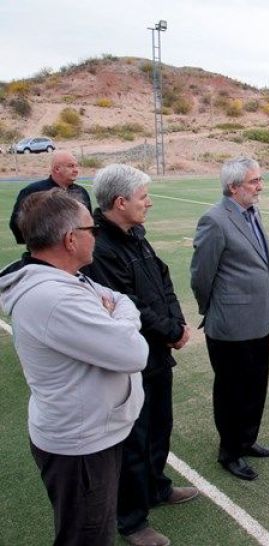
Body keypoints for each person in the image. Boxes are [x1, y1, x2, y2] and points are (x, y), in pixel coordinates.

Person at [0, 189, 148, 546]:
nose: (94, 235)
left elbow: (121, 299)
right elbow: (134, 352)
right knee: (86, 537)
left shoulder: (63, 278)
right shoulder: (55, 297)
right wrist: (119, 316)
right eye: (90, 228)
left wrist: (117, 312)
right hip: (81, 444)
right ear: (70, 239)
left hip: (90, 432)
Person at [82, 164, 197, 546]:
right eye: (143, 196)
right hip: (130, 361)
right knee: (133, 439)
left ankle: (157, 488)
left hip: (158, 355)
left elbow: (162, 281)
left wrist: (178, 324)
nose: (149, 202)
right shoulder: (101, 248)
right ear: (120, 202)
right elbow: (124, 305)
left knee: (159, 426)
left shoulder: (136, 236)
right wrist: (168, 330)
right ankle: (132, 521)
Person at [190, 157, 269, 481]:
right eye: (254, 181)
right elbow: (201, 275)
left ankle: (247, 439)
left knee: (256, 386)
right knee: (232, 391)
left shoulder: (253, 213)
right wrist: (212, 308)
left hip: (258, 320)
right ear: (233, 186)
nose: (260, 186)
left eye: (259, 179)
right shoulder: (214, 220)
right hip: (230, 325)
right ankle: (230, 452)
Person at [9, 151, 91, 244]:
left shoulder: (81, 192)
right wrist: (38, 245)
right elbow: (16, 223)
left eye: (76, 166)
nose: (76, 170)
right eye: (71, 166)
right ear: (57, 169)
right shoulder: (33, 191)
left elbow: (88, 223)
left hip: (76, 250)